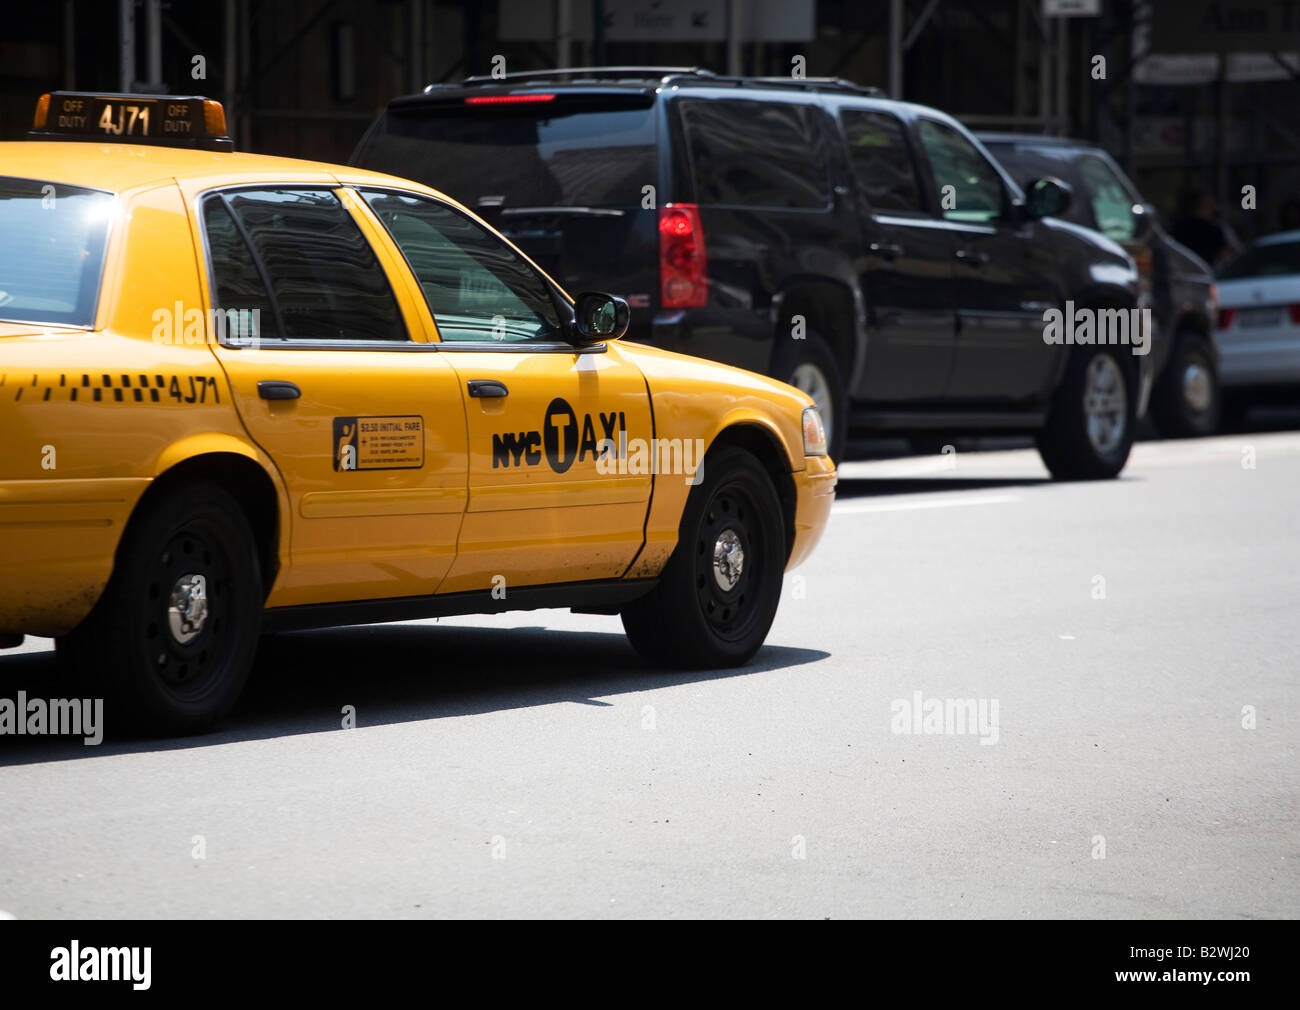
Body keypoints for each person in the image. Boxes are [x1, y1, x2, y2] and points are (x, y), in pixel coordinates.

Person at [1171, 188, 1238, 267]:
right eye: (1208, 205)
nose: (1213, 208)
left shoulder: (1217, 228)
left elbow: (1230, 252)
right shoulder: (1181, 228)